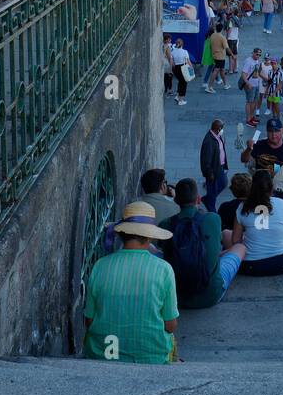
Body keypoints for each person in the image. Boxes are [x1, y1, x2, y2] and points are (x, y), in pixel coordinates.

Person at [82, 201, 178, 364]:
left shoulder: (100, 266)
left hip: (105, 352)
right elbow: (170, 325)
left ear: (121, 233)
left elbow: (89, 321)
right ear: (149, 235)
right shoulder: (163, 269)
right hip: (150, 356)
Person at [159, 179, 246, 310]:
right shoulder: (213, 219)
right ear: (198, 199)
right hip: (210, 295)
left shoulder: (165, 224)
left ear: (176, 201)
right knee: (240, 247)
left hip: (177, 297)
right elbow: (215, 250)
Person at [232, 170, 283, 276]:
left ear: (252, 187)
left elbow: (236, 241)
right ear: (272, 188)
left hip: (250, 266)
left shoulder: (242, 207)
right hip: (282, 264)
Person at [199, 120, 229, 212]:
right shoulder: (209, 141)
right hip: (213, 170)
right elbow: (206, 159)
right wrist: (209, 173)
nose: (223, 130)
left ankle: (208, 198)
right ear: (218, 128)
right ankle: (212, 210)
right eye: (222, 128)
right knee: (212, 189)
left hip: (220, 165)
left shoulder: (217, 136)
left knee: (223, 183)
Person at [168, 38, 191, 106]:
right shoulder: (184, 51)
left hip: (175, 69)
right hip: (182, 68)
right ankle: (181, 99)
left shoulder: (173, 52)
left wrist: (170, 70)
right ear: (182, 44)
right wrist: (191, 68)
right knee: (184, 83)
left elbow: (171, 62)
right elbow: (188, 61)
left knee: (180, 82)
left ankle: (178, 96)